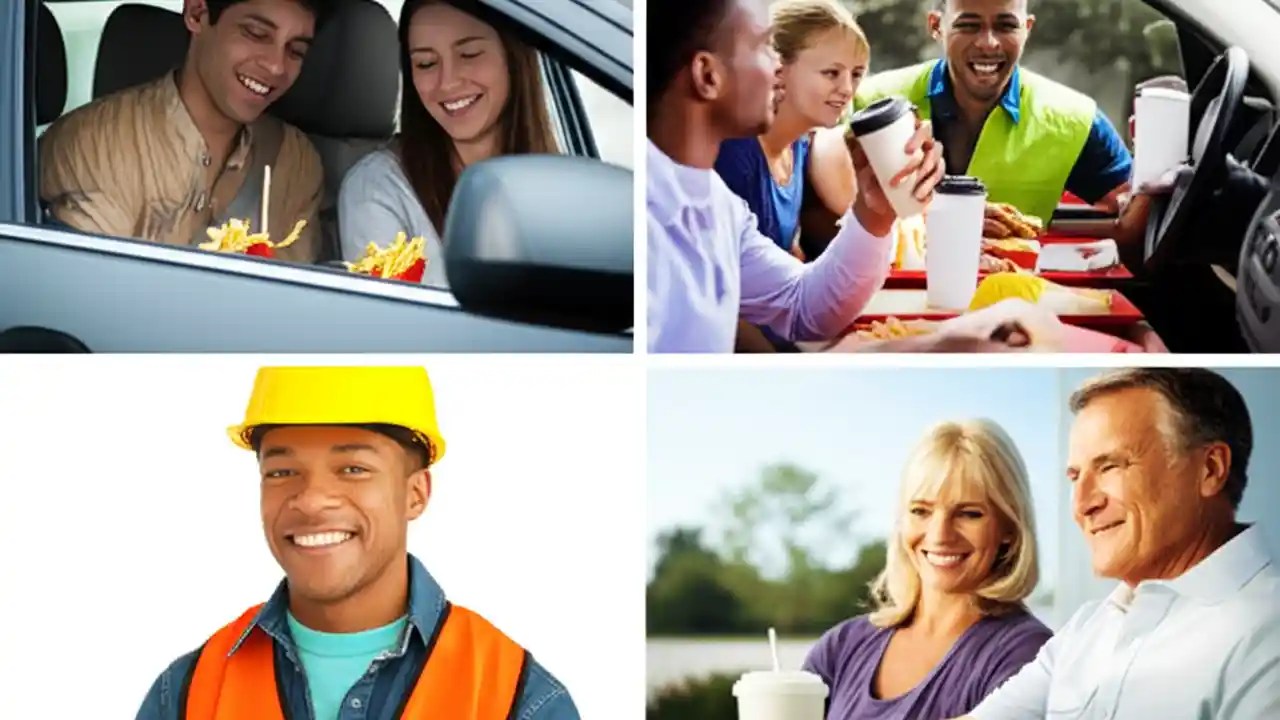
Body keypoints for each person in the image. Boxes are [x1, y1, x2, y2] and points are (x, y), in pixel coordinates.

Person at [134, 366, 579, 720]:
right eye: (281, 472)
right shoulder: (187, 696)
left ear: (415, 494)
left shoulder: (517, 700)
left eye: (352, 469)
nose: (310, 501)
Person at [648, 0, 1054, 353]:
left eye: (856, 74)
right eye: (763, 46)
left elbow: (804, 307)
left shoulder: (717, 204)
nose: (777, 67)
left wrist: (874, 212)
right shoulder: (658, 216)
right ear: (708, 75)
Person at [959, 368, 1280, 719]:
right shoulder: (1084, 631)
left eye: (1110, 466)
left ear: (1210, 469)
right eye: (1075, 476)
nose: (1082, 504)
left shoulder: (1267, 630)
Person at [40, 0, 326, 263]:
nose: (276, 66)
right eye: (255, 33)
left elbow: (289, 305)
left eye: (296, 51)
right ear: (197, 14)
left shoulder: (294, 161)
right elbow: (94, 297)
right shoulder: (96, 146)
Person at [805, 419, 1051, 718]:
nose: (939, 535)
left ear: (1009, 528)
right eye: (920, 511)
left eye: (969, 514)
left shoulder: (1026, 657)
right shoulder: (842, 647)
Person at [338, 0, 559, 288]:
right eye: (426, 63)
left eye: (469, 54)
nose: (448, 83)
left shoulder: (561, 183)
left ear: (514, 56)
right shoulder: (377, 190)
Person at [713, 0, 870, 351]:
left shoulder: (798, 148)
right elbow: (720, 303)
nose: (847, 89)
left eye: (856, 74)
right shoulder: (735, 156)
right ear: (779, 69)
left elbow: (789, 256)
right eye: (832, 73)